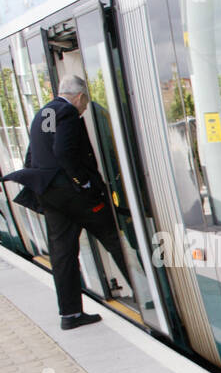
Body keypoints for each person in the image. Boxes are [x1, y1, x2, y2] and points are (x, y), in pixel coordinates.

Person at [4, 74, 128, 329]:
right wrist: (82, 181)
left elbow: (34, 154)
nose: (84, 109)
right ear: (80, 96)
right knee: (113, 236)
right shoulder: (68, 113)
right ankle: (148, 292)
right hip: (72, 194)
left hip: (50, 194)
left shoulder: (45, 113)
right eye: (85, 104)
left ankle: (70, 314)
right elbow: (62, 151)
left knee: (62, 254)